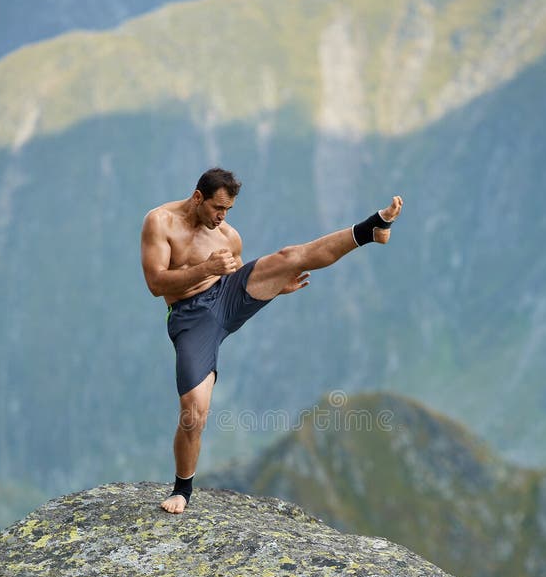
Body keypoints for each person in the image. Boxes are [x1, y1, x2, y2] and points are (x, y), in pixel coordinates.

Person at [141, 167, 403, 513]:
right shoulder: (159, 222)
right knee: (194, 411)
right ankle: (182, 489)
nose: (222, 217)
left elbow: (236, 281)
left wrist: (274, 287)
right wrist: (206, 269)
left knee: (289, 257)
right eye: (217, 208)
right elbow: (156, 284)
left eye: (229, 210)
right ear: (197, 198)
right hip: (191, 317)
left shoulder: (229, 238)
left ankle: (371, 228)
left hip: (227, 296)